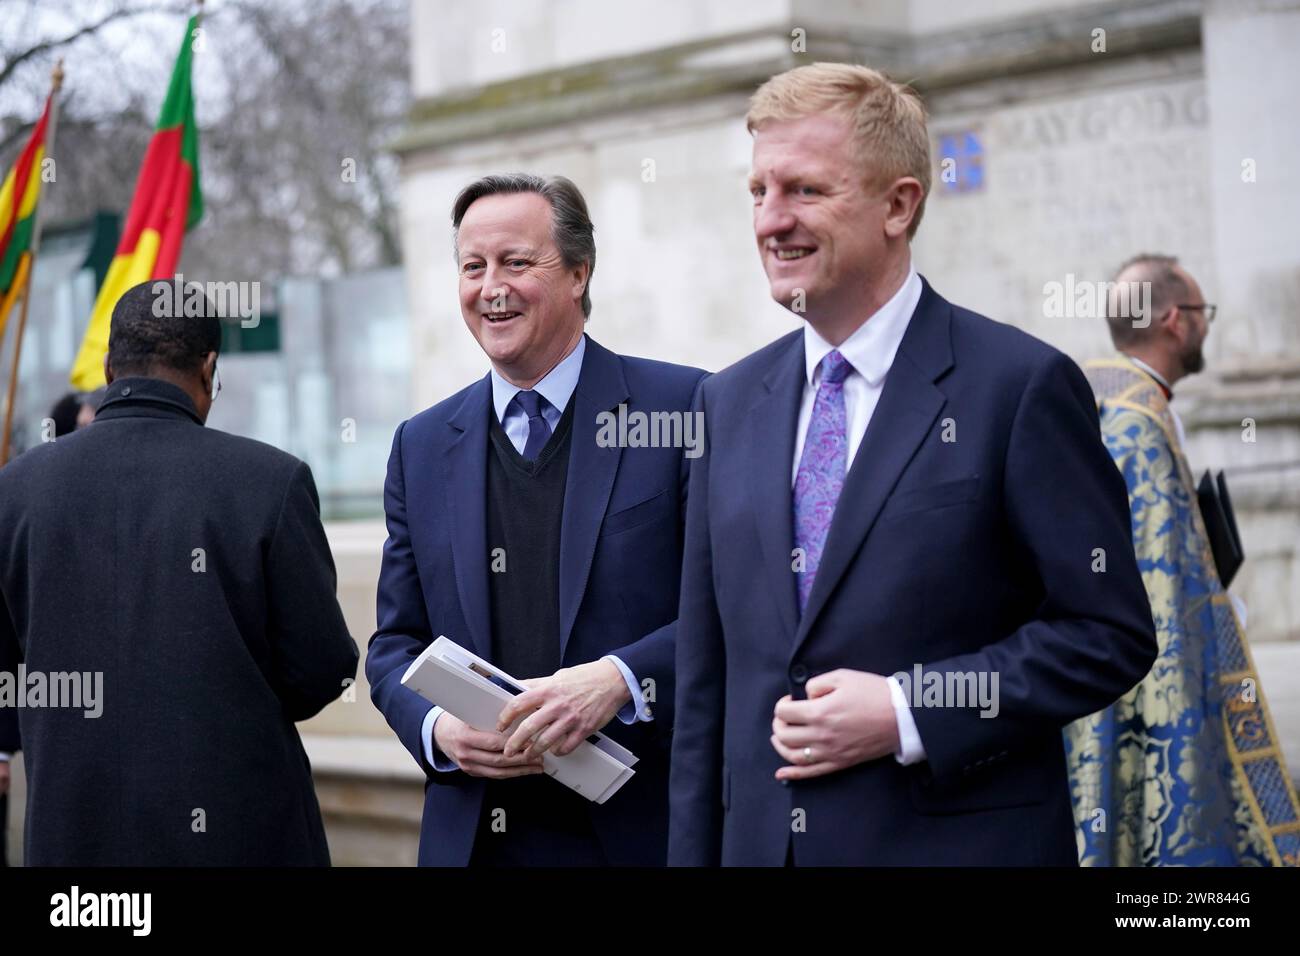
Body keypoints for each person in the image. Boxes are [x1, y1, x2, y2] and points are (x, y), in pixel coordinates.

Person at [667, 62, 1157, 866]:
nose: (770, 221)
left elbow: (1107, 633)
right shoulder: (724, 403)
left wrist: (909, 709)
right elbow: (702, 683)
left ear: (899, 205)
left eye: (805, 191)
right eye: (758, 192)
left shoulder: (1019, 387)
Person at [367, 173, 706, 866]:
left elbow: (735, 603)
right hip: (477, 839)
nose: (492, 286)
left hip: (641, 835)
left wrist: (620, 679)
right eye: (473, 266)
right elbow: (393, 645)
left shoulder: (684, 407)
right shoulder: (422, 445)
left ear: (579, 272)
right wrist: (437, 729)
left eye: (517, 262)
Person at [0, 280, 358, 866]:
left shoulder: (14, 491)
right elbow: (321, 670)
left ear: (111, 367)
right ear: (209, 367)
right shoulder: (270, 481)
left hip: (74, 846)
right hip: (241, 840)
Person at [1065, 254, 1300, 866]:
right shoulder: (1144, 419)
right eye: (1203, 313)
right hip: (1147, 661)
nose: (1207, 327)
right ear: (1175, 321)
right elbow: (1169, 577)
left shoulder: (1086, 392)